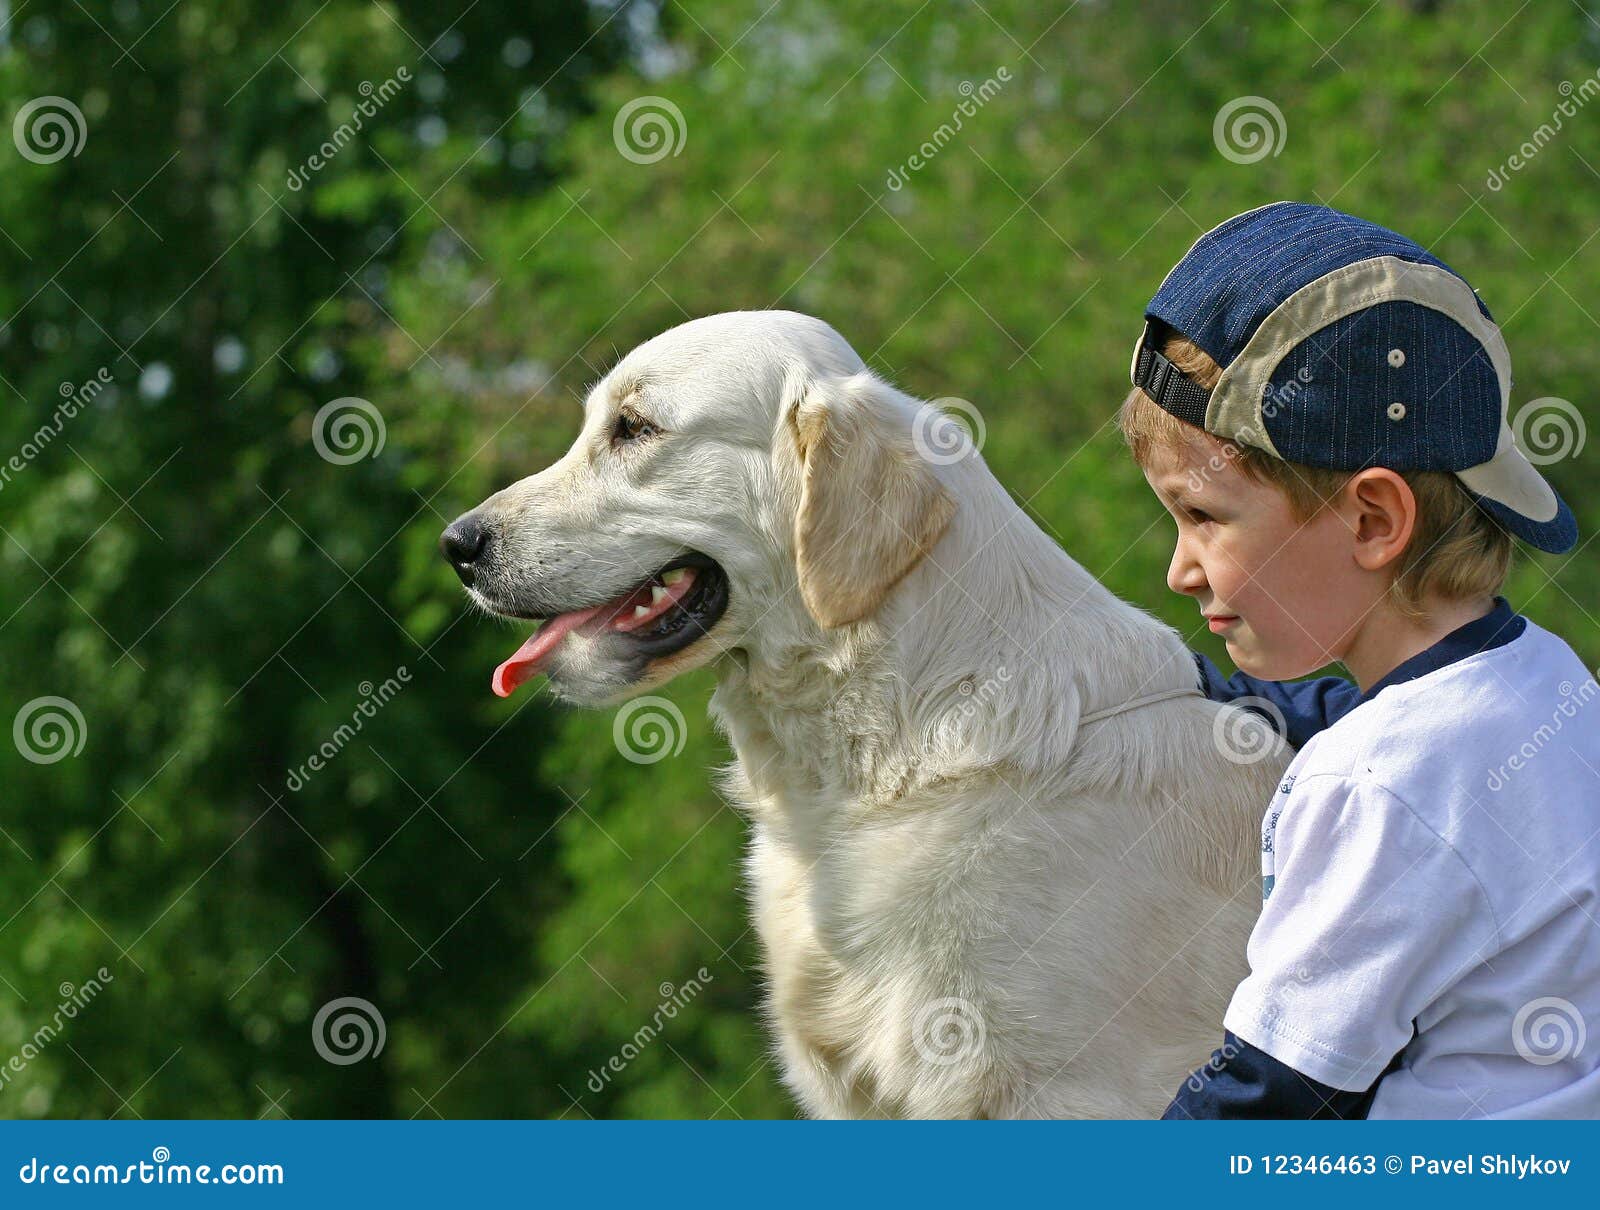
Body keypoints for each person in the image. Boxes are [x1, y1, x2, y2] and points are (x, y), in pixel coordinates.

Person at [1118, 200, 1599, 1118]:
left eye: (1203, 517)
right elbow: (1379, 733)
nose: (1178, 568)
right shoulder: (1545, 681)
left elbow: (1271, 1098)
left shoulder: (1373, 785)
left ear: (1373, 521)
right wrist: (1197, 701)